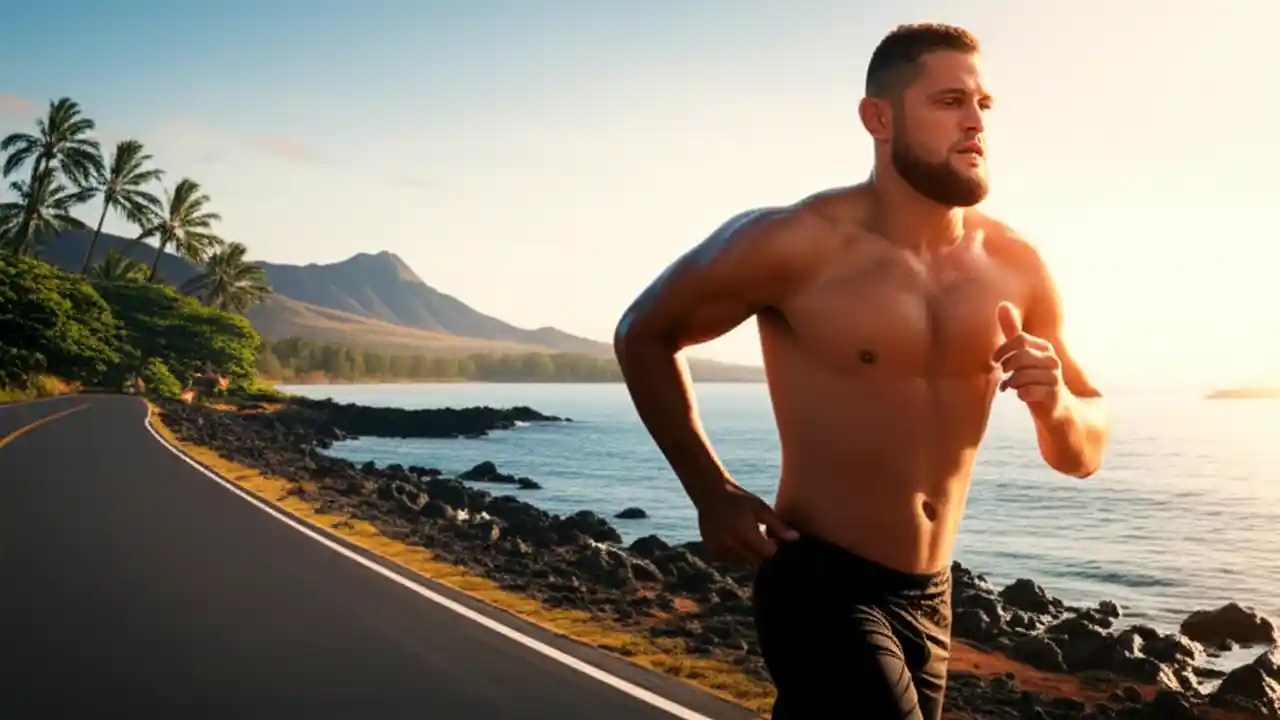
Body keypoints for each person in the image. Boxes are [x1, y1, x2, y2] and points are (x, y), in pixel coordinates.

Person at [612, 22, 1110, 720]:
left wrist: (1055, 405)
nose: (975, 122)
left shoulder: (1016, 267)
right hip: (818, 578)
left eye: (983, 105)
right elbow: (643, 332)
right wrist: (711, 489)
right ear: (879, 117)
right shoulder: (795, 243)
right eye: (948, 101)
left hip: (932, 595)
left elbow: (1082, 453)